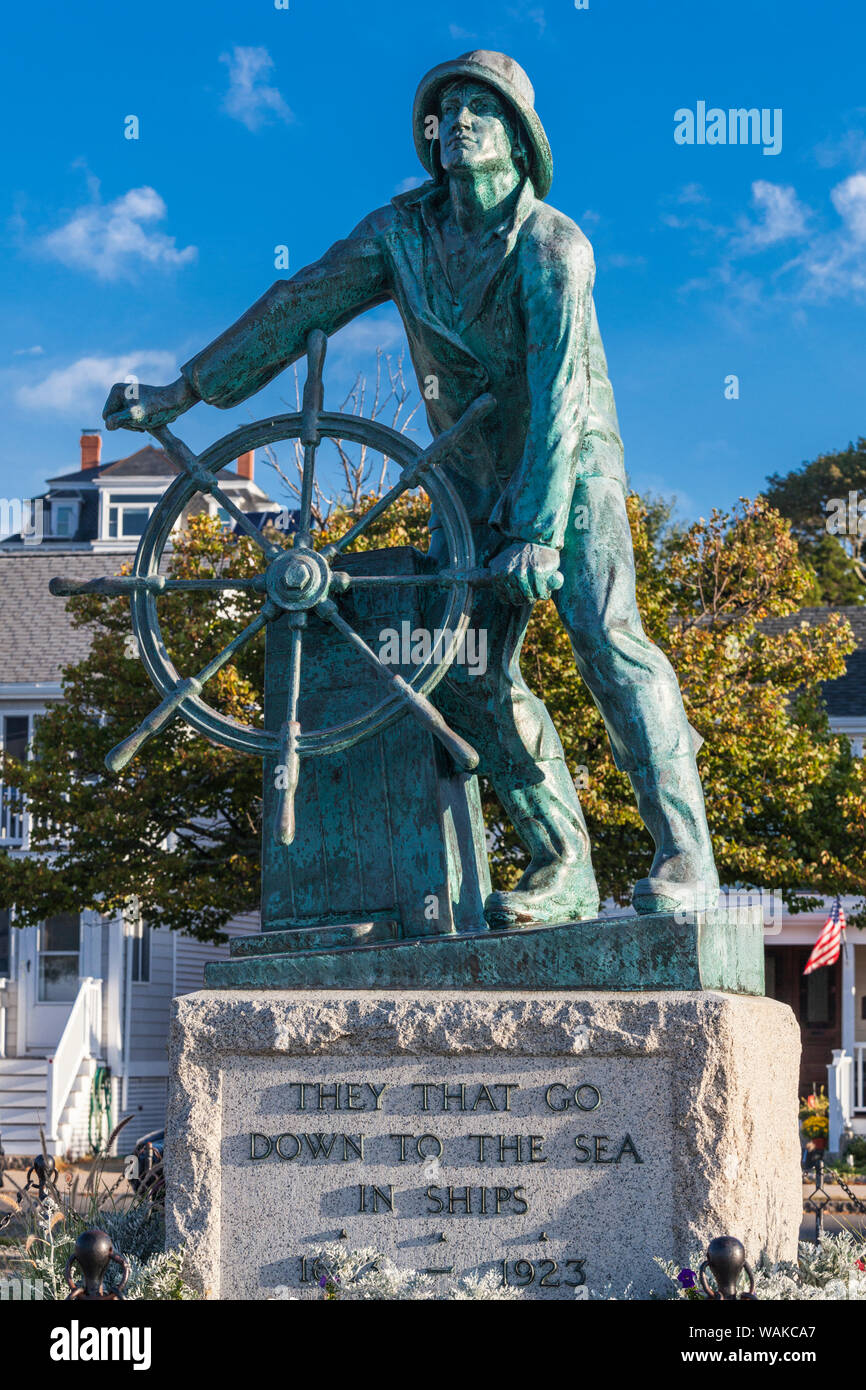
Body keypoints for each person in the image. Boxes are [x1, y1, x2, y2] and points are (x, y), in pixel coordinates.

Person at [104, 50, 718, 927]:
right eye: (447, 109)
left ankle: (686, 856)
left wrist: (539, 532)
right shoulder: (401, 232)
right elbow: (299, 303)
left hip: (570, 465)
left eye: (482, 109)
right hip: (465, 474)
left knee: (607, 640)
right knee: (459, 668)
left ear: (520, 140)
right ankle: (562, 862)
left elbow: (561, 394)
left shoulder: (554, 248)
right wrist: (184, 392)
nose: (459, 121)